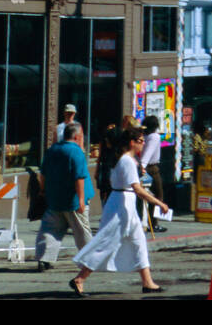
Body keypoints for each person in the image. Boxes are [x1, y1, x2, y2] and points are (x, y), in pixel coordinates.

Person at [71, 126, 168, 295]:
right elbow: (137, 188)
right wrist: (158, 203)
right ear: (132, 142)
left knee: (139, 243)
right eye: (140, 141)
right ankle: (80, 278)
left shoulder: (124, 160)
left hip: (124, 203)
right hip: (122, 206)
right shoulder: (127, 161)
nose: (143, 144)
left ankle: (148, 282)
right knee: (107, 243)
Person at [35, 121, 93, 271]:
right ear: (77, 136)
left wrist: (43, 191)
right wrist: (81, 199)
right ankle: (89, 260)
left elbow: (43, 174)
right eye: (82, 136)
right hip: (73, 200)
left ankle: (44, 258)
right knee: (81, 231)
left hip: (54, 199)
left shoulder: (52, 150)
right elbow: (79, 177)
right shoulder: (76, 152)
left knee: (49, 229)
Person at [138, 116, 166, 232]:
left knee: (148, 195)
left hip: (144, 166)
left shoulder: (145, 136)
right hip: (151, 168)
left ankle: (149, 221)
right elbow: (148, 154)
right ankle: (153, 223)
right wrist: (142, 167)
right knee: (157, 195)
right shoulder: (154, 137)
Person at [95, 124, 118, 204]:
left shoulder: (116, 145)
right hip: (105, 167)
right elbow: (100, 156)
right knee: (103, 189)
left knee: (109, 190)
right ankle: (104, 204)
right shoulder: (103, 142)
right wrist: (97, 170)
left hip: (110, 168)